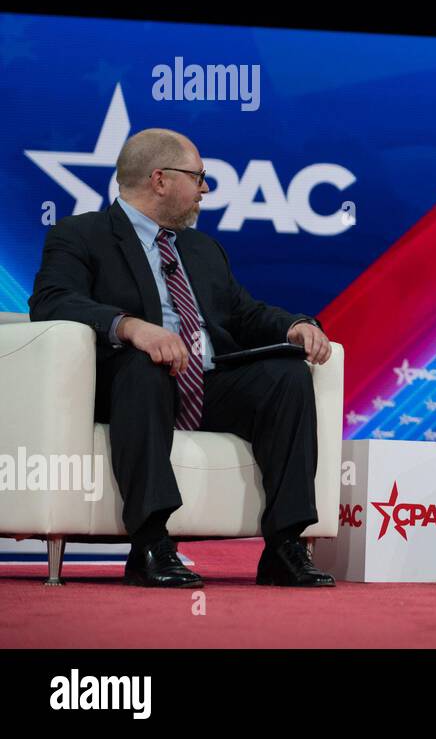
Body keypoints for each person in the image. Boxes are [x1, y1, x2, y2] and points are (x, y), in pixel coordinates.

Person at [28, 128, 336, 589]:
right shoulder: (80, 235)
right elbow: (52, 302)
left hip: (205, 383)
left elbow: (243, 313)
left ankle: (284, 546)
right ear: (160, 180)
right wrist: (130, 327)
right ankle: (151, 542)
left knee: (287, 377)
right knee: (143, 366)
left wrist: (294, 325)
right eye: (199, 177)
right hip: (129, 386)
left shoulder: (201, 248)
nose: (205, 190)